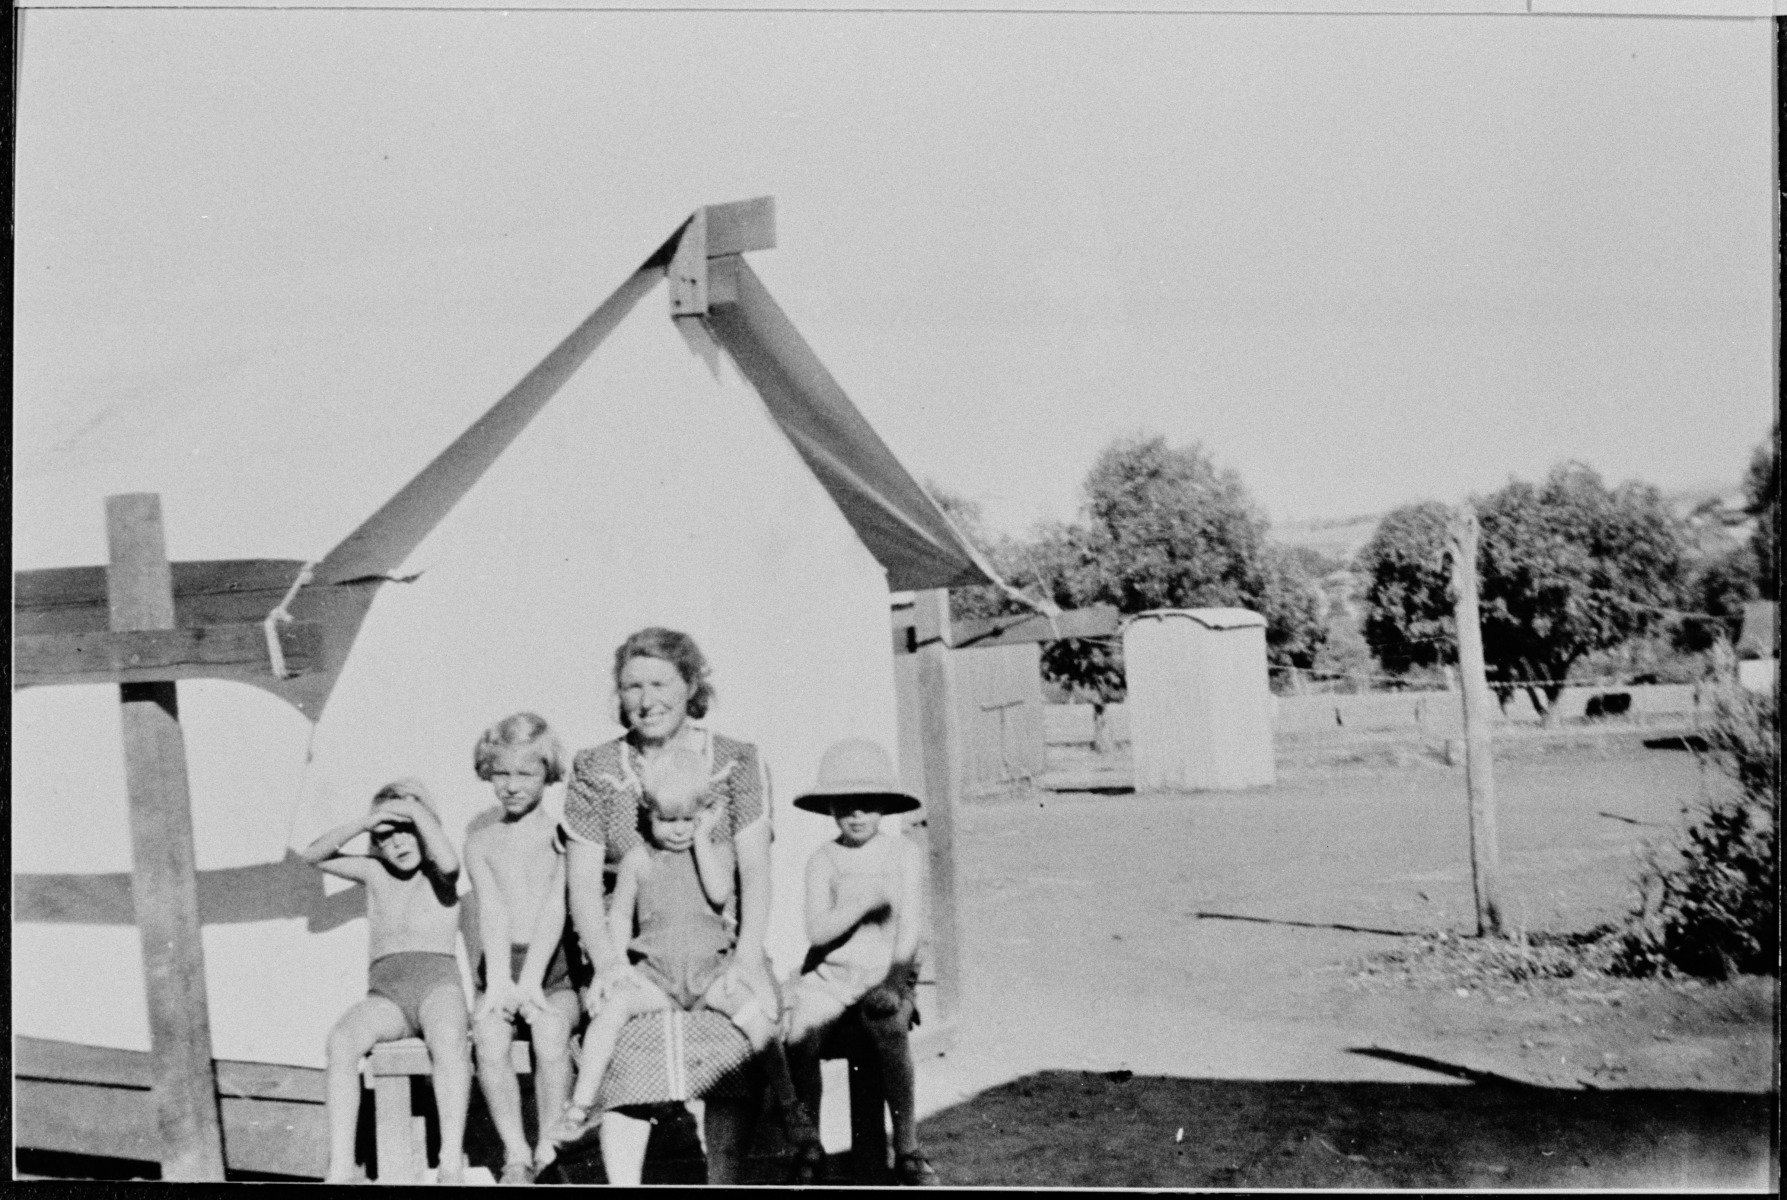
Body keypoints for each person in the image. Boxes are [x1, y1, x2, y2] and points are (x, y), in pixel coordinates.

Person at [560, 627, 780, 1185]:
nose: (645, 699)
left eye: (660, 682)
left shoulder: (734, 760)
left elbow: (754, 870)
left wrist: (748, 959)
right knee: (624, 1037)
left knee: (737, 1036)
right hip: (632, 949)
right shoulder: (596, 768)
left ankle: (724, 1179)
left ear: (690, 686)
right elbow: (584, 884)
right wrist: (608, 965)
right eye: (631, 685)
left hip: (721, 941)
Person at [546, 748, 778, 1154]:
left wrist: (703, 837)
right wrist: (615, 964)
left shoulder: (712, 853)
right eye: (666, 820)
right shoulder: (639, 859)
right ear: (647, 813)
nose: (677, 830)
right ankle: (580, 1108)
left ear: (704, 813)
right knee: (610, 1013)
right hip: (658, 978)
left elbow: (721, 893)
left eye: (688, 819)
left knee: (758, 1021)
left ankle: (790, 1107)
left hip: (709, 978)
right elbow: (619, 917)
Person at [780, 738, 940, 1187]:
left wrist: (894, 980)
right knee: (800, 1036)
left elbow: (909, 927)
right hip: (830, 977)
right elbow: (817, 932)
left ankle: (906, 1143)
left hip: (882, 975)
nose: (856, 815)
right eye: (845, 805)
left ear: (884, 807)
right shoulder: (824, 860)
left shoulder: (902, 854)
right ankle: (808, 1143)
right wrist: (857, 904)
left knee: (888, 1032)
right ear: (829, 807)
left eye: (867, 805)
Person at [303, 780, 470, 1185]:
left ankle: (450, 1160)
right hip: (387, 996)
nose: (398, 842)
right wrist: (366, 822)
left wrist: (413, 810)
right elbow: (313, 855)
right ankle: (342, 1167)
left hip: (437, 987)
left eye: (407, 828)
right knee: (342, 1039)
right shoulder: (373, 870)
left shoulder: (440, 872)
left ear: (426, 824)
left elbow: (448, 861)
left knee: (448, 1037)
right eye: (386, 835)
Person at [463, 713, 584, 1184]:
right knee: (490, 1037)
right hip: (500, 963)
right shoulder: (481, 841)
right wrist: (499, 983)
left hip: (553, 969)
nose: (511, 785)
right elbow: (491, 911)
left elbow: (556, 906)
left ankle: (549, 1146)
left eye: (525, 773)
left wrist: (531, 982)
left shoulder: (562, 836)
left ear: (547, 774)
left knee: (551, 1032)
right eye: (501, 773)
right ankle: (515, 1154)